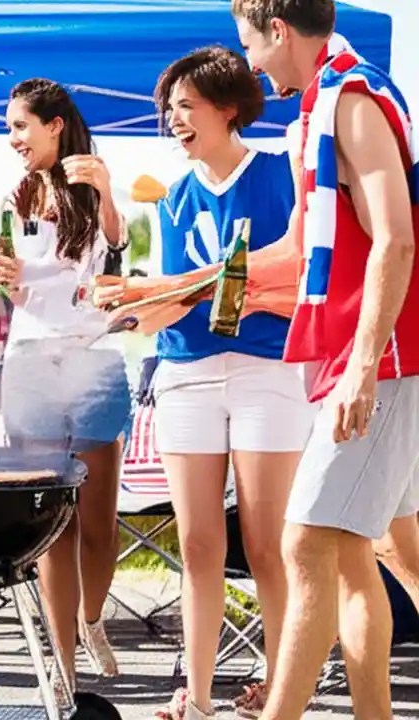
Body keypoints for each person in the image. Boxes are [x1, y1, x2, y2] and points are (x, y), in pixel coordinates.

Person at [229, 2, 419, 717]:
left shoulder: (355, 99)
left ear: (279, 31)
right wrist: (164, 287)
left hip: (385, 356)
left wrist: (365, 368)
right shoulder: (314, 110)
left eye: (249, 45)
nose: (249, 63)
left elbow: (395, 240)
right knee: (363, 555)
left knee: (306, 542)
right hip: (355, 356)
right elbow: (295, 250)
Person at [142, 46, 315, 720]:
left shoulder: (281, 174)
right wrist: (130, 303)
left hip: (268, 371)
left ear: (228, 107)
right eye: (169, 108)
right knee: (197, 543)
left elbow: (303, 279)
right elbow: (167, 305)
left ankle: (282, 686)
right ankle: (198, 693)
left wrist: (234, 297)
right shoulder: (173, 198)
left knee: (269, 542)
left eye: (186, 106)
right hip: (186, 373)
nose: (173, 119)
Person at [0, 78, 131, 703]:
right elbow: (16, 293)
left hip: (93, 362)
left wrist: (105, 192)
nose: (13, 138)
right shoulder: (13, 198)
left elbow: (118, 253)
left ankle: (93, 619)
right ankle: (63, 667)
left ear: (55, 125)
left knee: (98, 523)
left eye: (21, 126)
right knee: (52, 523)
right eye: (10, 127)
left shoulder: (93, 182)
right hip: (31, 363)